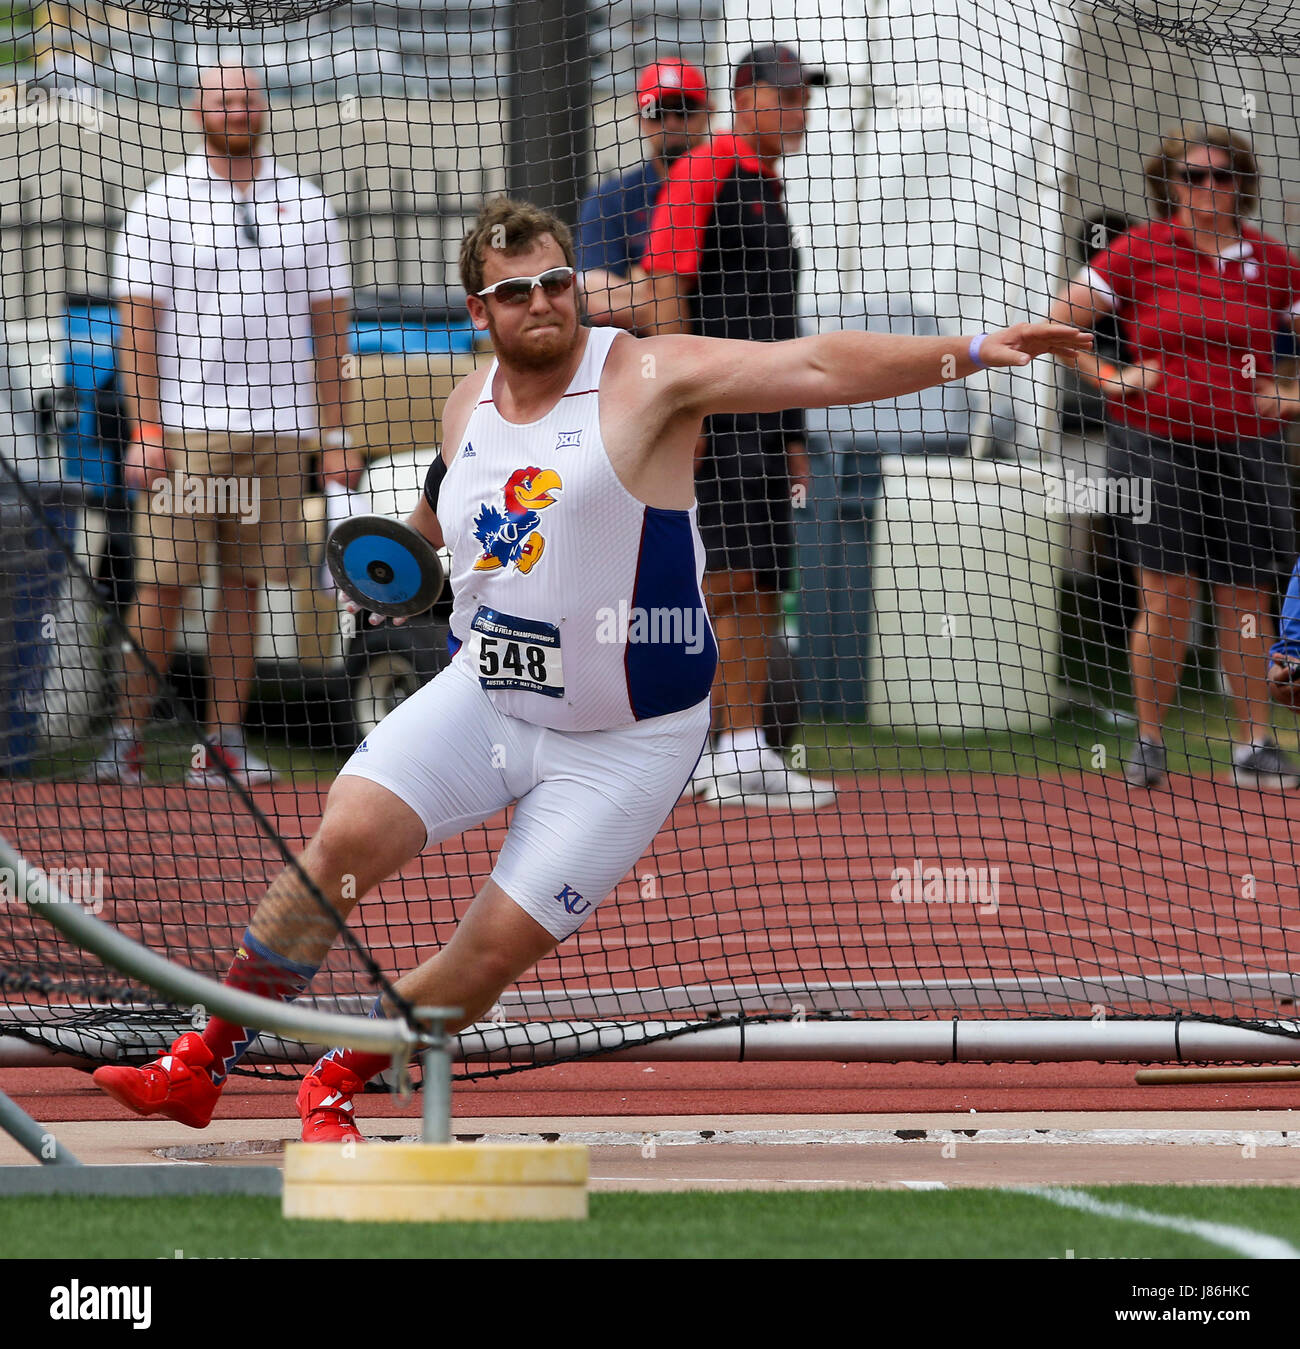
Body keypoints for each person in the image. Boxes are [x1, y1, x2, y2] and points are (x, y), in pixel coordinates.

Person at [91, 196, 1087, 1142]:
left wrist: (965, 352)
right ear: (478, 309)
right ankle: (200, 1059)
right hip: (486, 695)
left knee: (485, 951)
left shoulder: (646, 375)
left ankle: (338, 1075)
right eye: (516, 291)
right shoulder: (464, 401)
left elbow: (816, 364)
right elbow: (448, 503)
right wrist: (394, 560)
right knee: (340, 843)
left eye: (556, 282)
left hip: (625, 739)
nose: (542, 303)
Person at [87, 61, 360, 788]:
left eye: (246, 97)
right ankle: (126, 740)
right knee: (166, 585)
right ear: (196, 110)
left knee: (246, 587)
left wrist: (337, 435)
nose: (237, 108)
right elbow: (136, 332)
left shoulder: (305, 202)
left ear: (263, 107)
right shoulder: (162, 204)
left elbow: (332, 333)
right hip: (186, 435)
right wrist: (146, 429)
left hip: (279, 431)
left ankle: (222, 746)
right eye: (222, 99)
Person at [586, 44, 832, 810]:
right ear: (745, 97)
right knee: (717, 581)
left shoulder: (767, 184)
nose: (800, 112)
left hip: (761, 421)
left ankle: (745, 746)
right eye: (785, 97)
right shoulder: (706, 170)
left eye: (804, 98)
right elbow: (662, 284)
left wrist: (793, 435)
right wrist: (678, 403)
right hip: (714, 419)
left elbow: (779, 323)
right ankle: (684, 745)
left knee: (761, 582)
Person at [1050, 123, 1300, 791]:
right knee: (1167, 594)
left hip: (1247, 446)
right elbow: (1057, 324)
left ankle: (1254, 745)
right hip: (1154, 444)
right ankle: (1149, 738)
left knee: (1247, 594)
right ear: (1171, 184)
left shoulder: (1273, 261)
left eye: (1223, 176)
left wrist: (1291, 393)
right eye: (1194, 176)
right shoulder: (1138, 250)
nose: (1209, 188)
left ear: (1244, 186)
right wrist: (1110, 378)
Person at [575, 57, 710, 319]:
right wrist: (677, 294)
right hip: (637, 353)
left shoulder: (732, 192)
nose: (670, 122)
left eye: (684, 109)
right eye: (656, 111)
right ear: (640, 117)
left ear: (708, 111)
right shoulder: (610, 199)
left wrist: (641, 278)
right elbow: (597, 300)